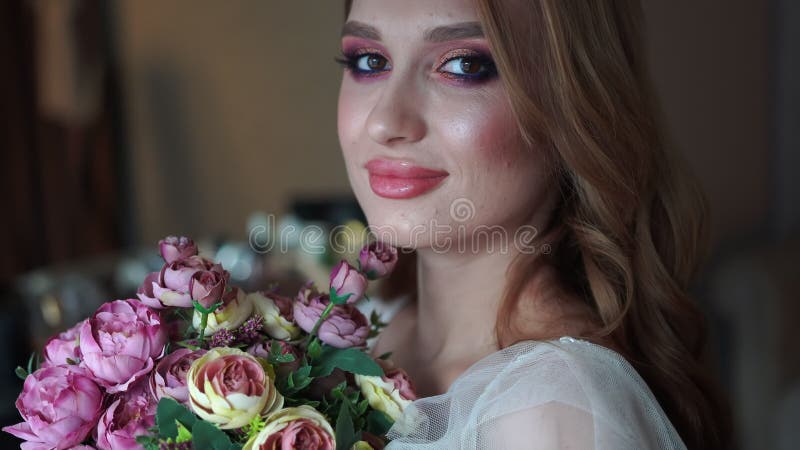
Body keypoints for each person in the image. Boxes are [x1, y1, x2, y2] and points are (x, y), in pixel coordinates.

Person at [336, 0, 731, 448]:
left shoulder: (552, 415)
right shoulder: (365, 332)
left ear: (574, 104)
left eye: (464, 65)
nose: (385, 122)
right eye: (369, 61)